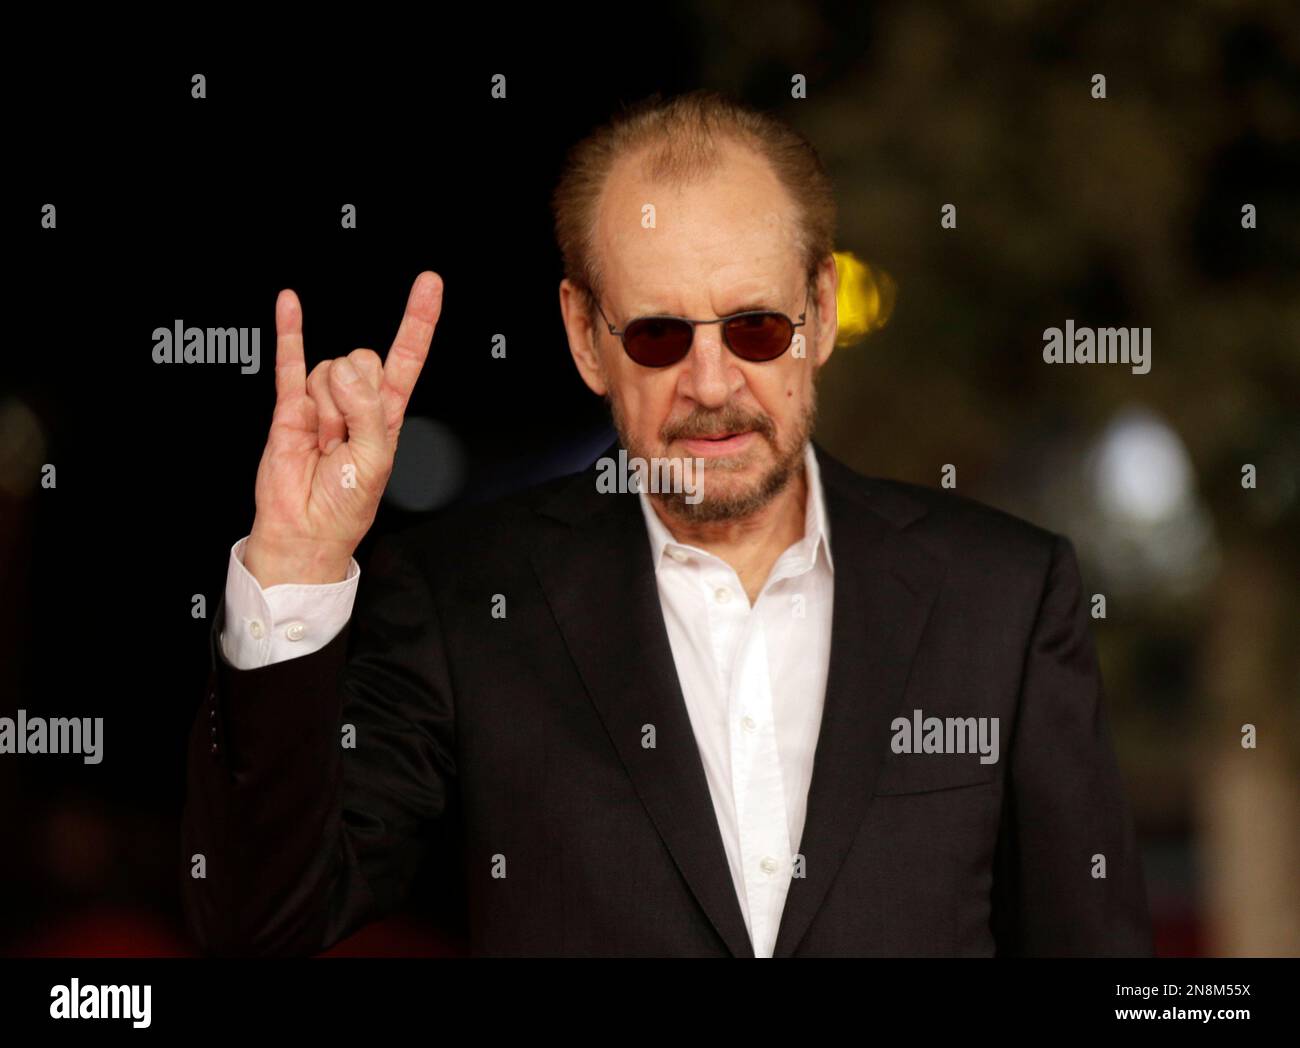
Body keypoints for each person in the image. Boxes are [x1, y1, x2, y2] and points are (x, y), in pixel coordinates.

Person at [180, 89, 1152, 957]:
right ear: (582, 337)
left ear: (817, 314)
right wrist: (296, 568)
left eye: (755, 327)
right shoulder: (464, 602)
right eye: (656, 335)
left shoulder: (1005, 599)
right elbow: (262, 924)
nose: (712, 384)